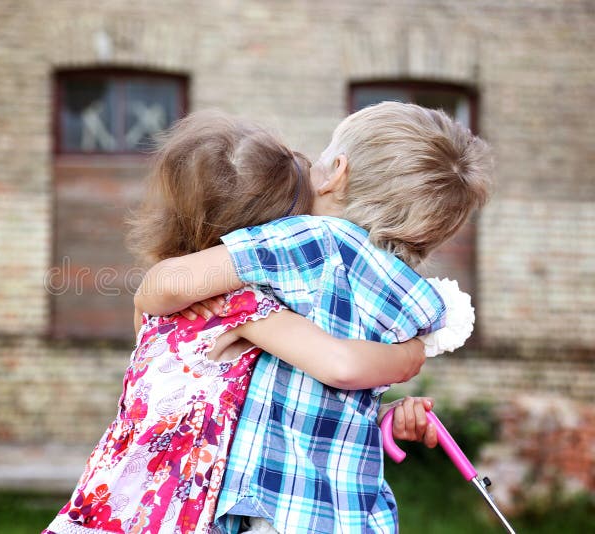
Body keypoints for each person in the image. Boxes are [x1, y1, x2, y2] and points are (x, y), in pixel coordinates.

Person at [43, 110, 438, 534]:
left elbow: (267, 401)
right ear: (265, 234)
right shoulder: (246, 308)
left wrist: (378, 417)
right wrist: (411, 354)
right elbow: (340, 365)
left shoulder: (159, 317)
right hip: (173, 515)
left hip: (112, 502)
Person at [136, 102, 493, 533]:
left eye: (322, 158)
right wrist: (386, 412)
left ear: (336, 172)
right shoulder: (404, 296)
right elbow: (324, 403)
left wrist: (226, 309)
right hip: (351, 514)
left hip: (275, 508)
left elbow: (164, 286)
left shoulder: (309, 241)